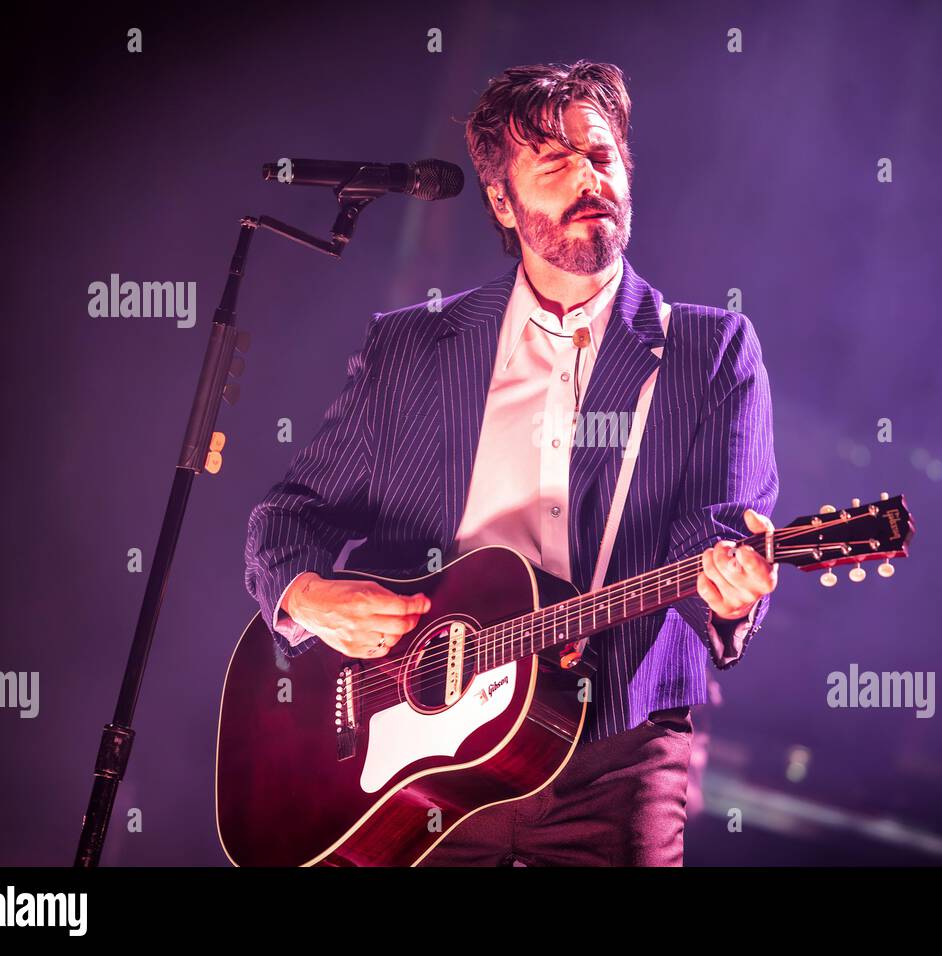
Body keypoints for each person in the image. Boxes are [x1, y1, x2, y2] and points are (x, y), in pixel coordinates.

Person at [243, 60, 779, 866]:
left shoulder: (709, 350)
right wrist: (308, 596)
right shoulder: (413, 345)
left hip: (613, 753)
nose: (589, 179)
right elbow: (289, 517)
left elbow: (714, 545)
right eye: (555, 163)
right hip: (412, 754)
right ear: (502, 199)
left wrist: (732, 596)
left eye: (601, 157)